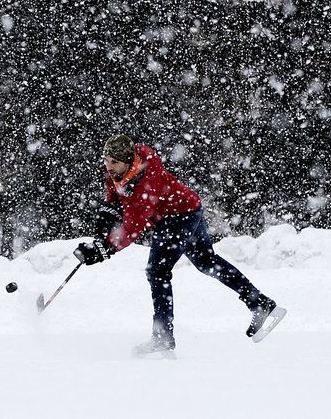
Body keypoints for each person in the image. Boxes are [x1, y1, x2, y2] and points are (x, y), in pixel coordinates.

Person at [74, 134, 286, 357]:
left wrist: (104, 248)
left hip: (177, 217)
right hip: (187, 208)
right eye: (105, 160)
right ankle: (260, 304)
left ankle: (162, 337)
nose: (108, 166)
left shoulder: (147, 182)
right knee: (206, 262)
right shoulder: (119, 170)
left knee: (158, 272)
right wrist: (108, 215)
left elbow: (133, 228)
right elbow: (115, 195)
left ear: (128, 161)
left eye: (113, 162)